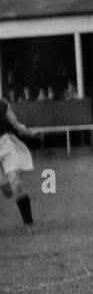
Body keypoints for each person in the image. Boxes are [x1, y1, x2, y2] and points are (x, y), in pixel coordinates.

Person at [0, 98, 41, 232]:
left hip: (5, 145)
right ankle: (5, 186)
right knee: (6, 188)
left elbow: (16, 126)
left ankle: (29, 224)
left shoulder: (3, 105)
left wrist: (31, 133)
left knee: (16, 184)